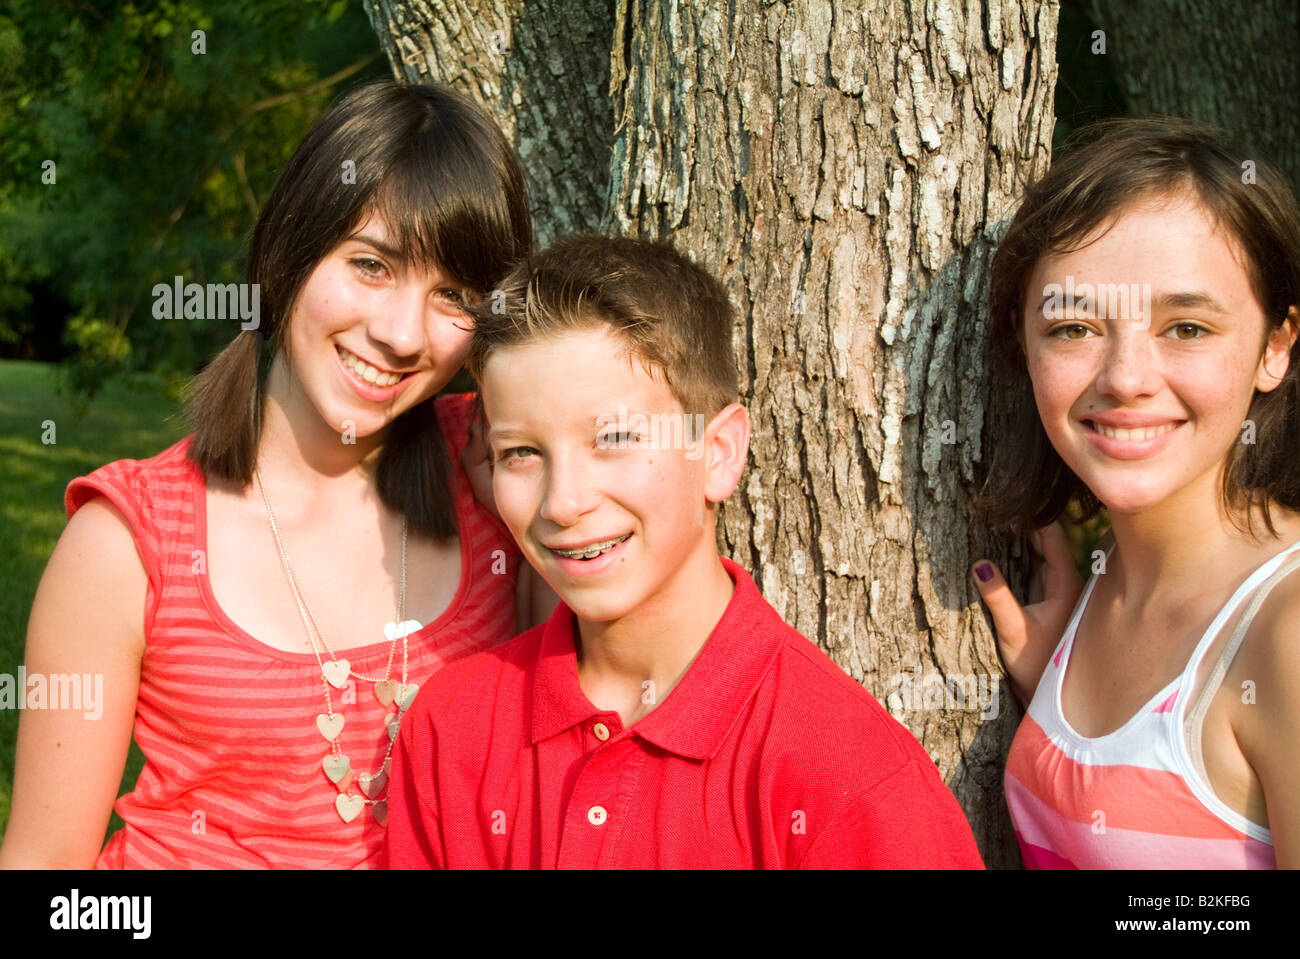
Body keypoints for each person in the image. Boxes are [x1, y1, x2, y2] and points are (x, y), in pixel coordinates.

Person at [0, 81, 545, 868]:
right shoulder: (128, 541)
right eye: (370, 264)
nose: (398, 333)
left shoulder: (505, 476)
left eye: (453, 296)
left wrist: (527, 499)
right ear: (292, 247)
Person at [383, 235, 985, 869]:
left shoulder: (846, 776)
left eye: (613, 438)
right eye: (521, 453)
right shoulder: (453, 729)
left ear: (719, 453)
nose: (562, 503)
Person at [971, 117, 1300, 868]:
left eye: (1185, 327)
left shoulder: (1287, 631)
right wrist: (1060, 715)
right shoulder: (1098, 589)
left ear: (1274, 348)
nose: (1125, 377)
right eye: (1075, 326)